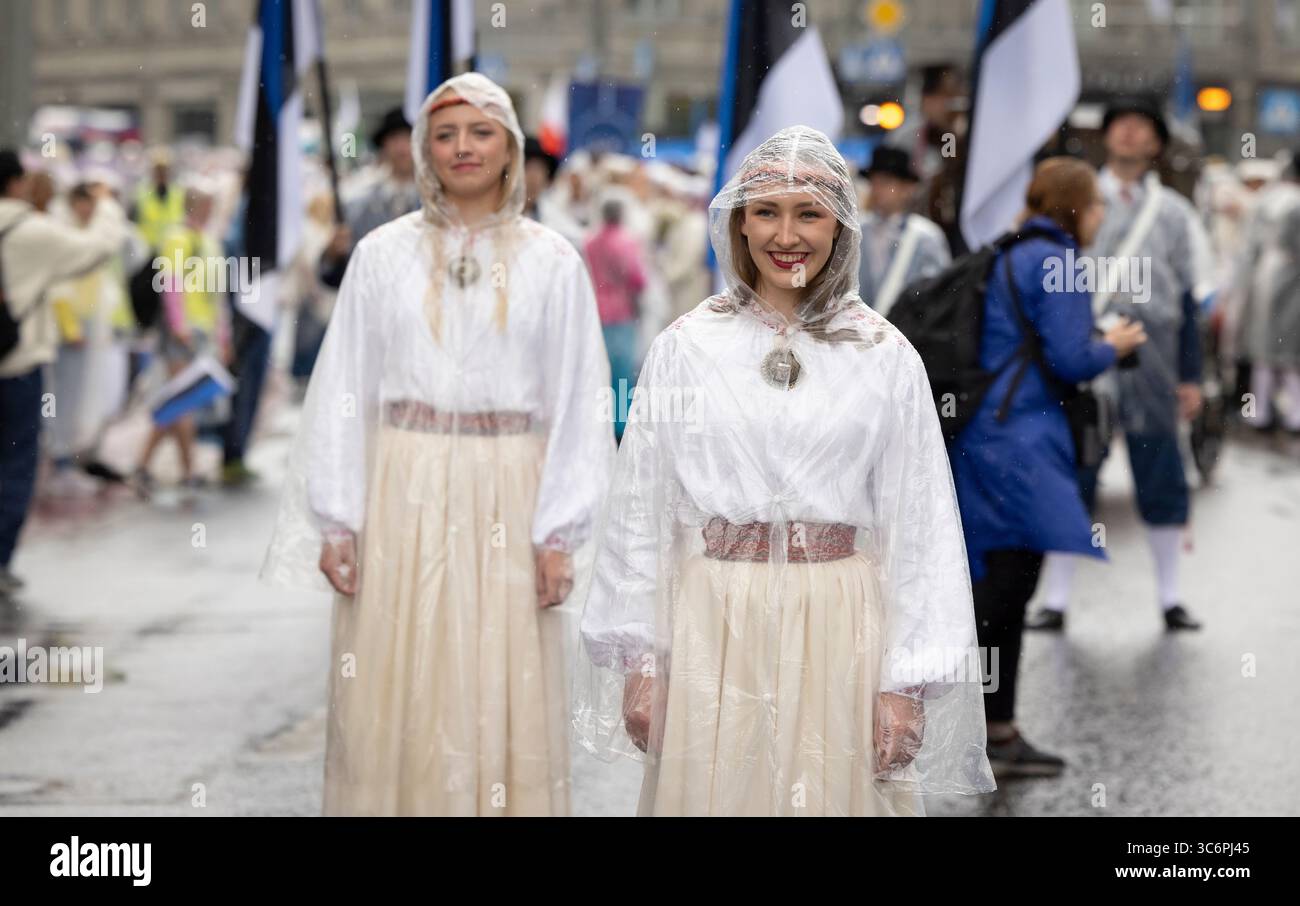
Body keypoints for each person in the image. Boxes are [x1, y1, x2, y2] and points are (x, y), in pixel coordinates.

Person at [573, 126, 994, 816]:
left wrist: (906, 682)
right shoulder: (687, 348)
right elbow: (641, 509)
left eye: (809, 213)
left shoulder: (885, 356)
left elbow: (919, 525)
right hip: (712, 621)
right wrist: (641, 659)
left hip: (839, 624)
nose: (786, 235)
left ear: (841, 225)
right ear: (739, 223)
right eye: (766, 211)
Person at [262, 73, 614, 816]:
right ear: (423, 149)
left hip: (509, 484)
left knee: (497, 670)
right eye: (445, 134)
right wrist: (337, 519)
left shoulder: (554, 260)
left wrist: (559, 534)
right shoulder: (381, 255)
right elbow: (343, 389)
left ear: (511, 148)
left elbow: (579, 399)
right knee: (395, 672)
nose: (462, 148)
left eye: (480, 132)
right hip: (402, 479)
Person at [949, 157, 1147, 777]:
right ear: (1074, 207)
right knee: (1005, 590)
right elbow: (1069, 357)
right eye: (1094, 206)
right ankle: (986, 730)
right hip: (1022, 440)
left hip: (984, 433)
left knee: (993, 582)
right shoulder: (1058, 260)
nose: (1099, 216)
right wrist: (1110, 345)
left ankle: (987, 726)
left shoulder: (1011, 249)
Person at [1028, 98, 1206, 634]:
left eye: (1142, 127)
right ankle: (1055, 599)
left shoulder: (1175, 212)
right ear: (1106, 137)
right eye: (1119, 124)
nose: (1129, 133)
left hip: (1153, 360)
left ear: (1156, 143)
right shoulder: (1078, 200)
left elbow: (1191, 298)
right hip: (1086, 355)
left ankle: (1171, 596)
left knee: (1160, 468)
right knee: (1074, 469)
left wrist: (1190, 374)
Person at [0, 150, 129, 596]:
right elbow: (96, 250)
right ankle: (0, 561)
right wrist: (107, 204)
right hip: (17, 363)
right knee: (15, 462)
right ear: (16, 183)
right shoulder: (31, 232)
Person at [133, 187, 232, 495]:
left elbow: (217, 296)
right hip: (183, 333)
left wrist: (222, 334)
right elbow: (171, 284)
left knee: (182, 400)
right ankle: (186, 471)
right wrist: (179, 326)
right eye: (204, 204)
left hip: (202, 332)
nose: (208, 210)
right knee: (183, 401)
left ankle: (145, 467)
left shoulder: (211, 241)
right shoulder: (178, 238)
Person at [318, 107, 422, 289]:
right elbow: (337, 275)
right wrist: (333, 254)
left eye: (408, 138)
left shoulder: (439, 202)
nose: (402, 148)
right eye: (395, 139)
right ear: (384, 146)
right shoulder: (358, 204)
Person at [1234, 151, 1300, 435]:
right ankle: (1293, 413)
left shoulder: (1270, 199)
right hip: (1289, 279)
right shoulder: (1293, 202)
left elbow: (1251, 247)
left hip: (1265, 278)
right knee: (1287, 353)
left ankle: (1260, 411)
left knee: (1265, 352)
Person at [857, 146, 950, 317]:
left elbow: (938, 295)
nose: (877, 190)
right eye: (873, 182)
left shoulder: (927, 236)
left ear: (908, 188)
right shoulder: (856, 230)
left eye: (885, 182)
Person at [583, 195, 647, 442]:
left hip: (597, 309)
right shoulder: (625, 242)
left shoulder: (591, 241)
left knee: (600, 369)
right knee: (622, 374)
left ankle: (598, 422)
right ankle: (621, 427)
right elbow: (637, 277)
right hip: (620, 311)